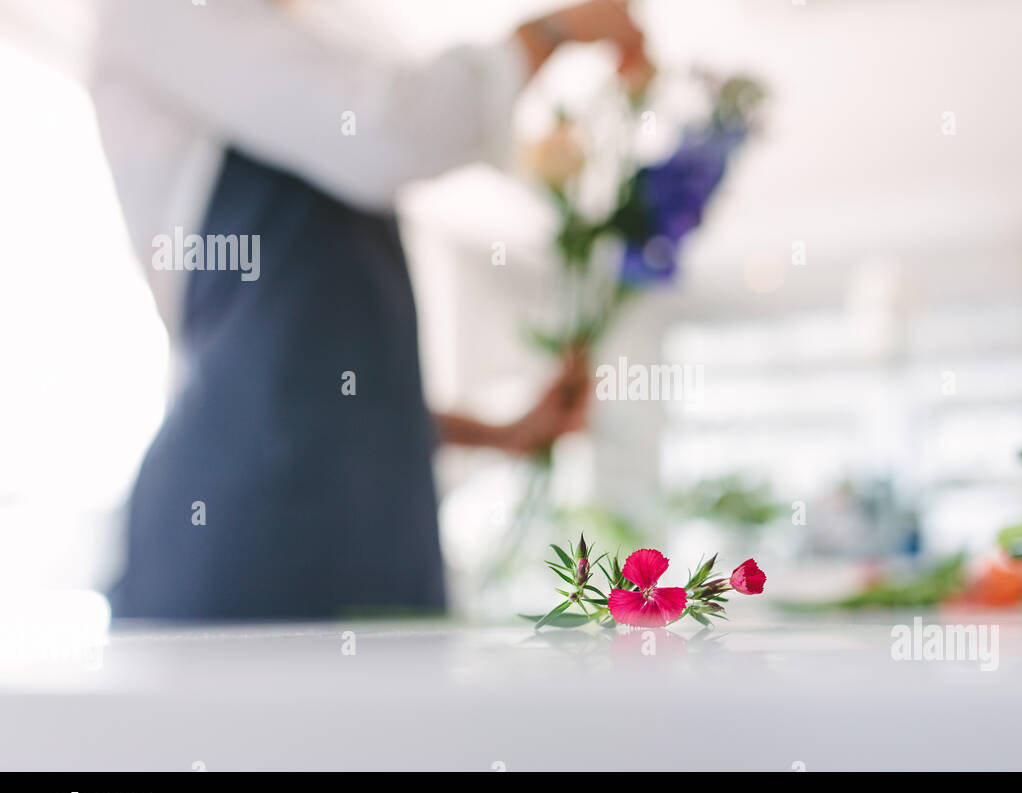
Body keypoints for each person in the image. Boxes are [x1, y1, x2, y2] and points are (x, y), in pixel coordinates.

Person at [91, 0, 653, 620]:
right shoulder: (158, 14)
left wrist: (502, 434)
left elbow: (334, 387)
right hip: (243, 534)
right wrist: (553, 32)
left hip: (385, 535)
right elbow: (388, 133)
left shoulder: (311, 53)